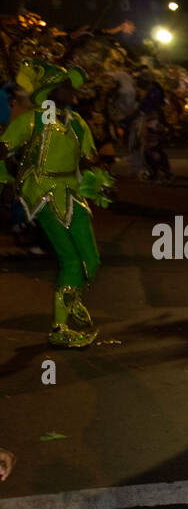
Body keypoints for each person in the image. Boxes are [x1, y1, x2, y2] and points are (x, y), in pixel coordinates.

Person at [0, 59, 112, 347]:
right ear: (51, 91)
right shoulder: (33, 120)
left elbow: (89, 159)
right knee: (71, 260)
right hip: (44, 192)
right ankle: (59, 327)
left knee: (92, 260)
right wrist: (11, 170)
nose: (72, 92)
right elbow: (5, 147)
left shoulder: (77, 123)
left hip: (74, 192)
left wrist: (100, 181)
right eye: (65, 87)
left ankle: (71, 295)